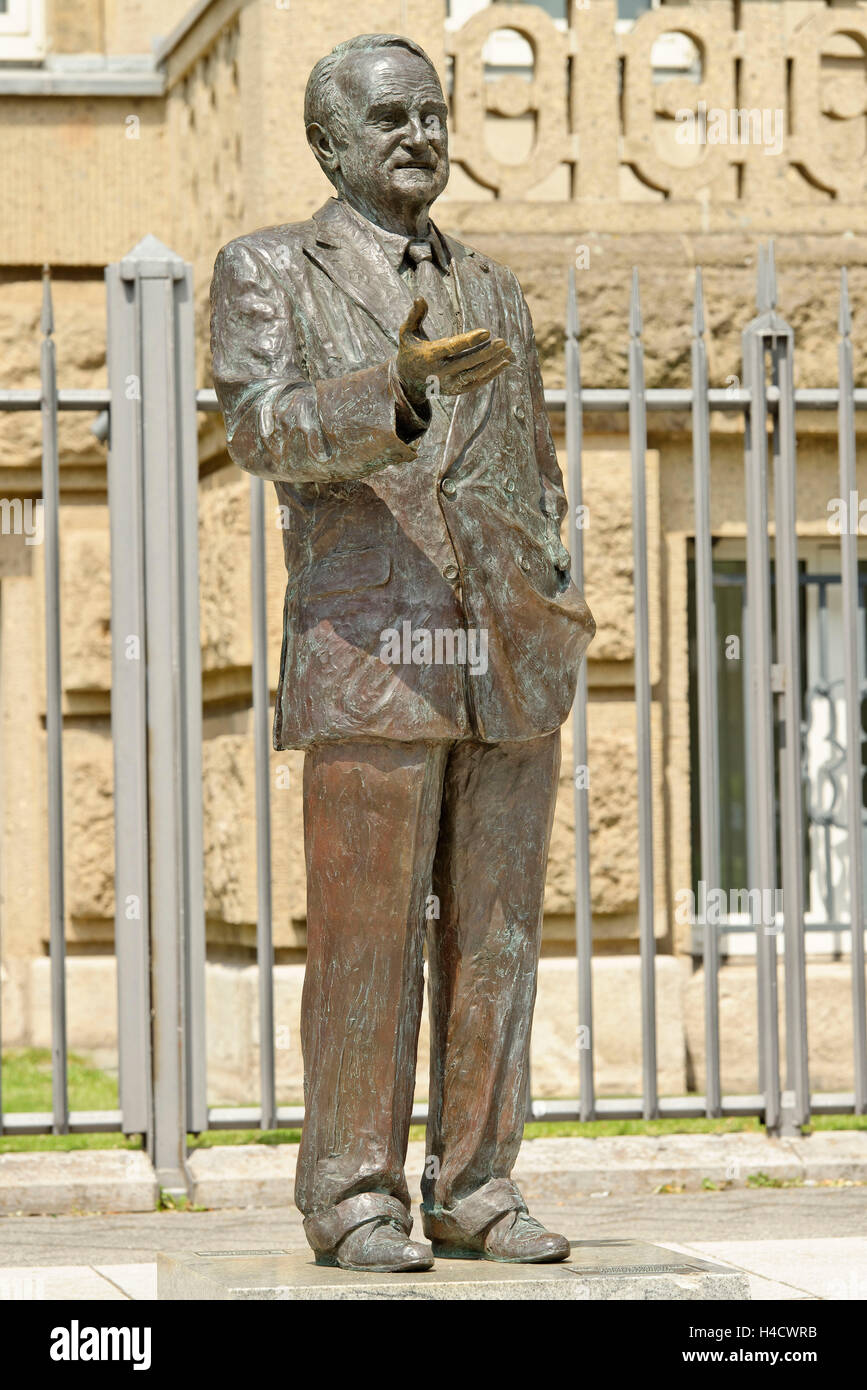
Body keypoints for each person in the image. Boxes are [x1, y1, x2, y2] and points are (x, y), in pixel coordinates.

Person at [210, 32, 594, 1274]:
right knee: (366, 935)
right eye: (387, 118)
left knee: (497, 933)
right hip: (369, 649)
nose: (419, 133)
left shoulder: (493, 286)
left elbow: (531, 464)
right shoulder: (270, 267)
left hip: (506, 657)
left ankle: (477, 1184)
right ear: (329, 143)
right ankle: (354, 1195)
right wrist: (396, 388)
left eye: (431, 112)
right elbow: (260, 430)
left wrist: (551, 581)